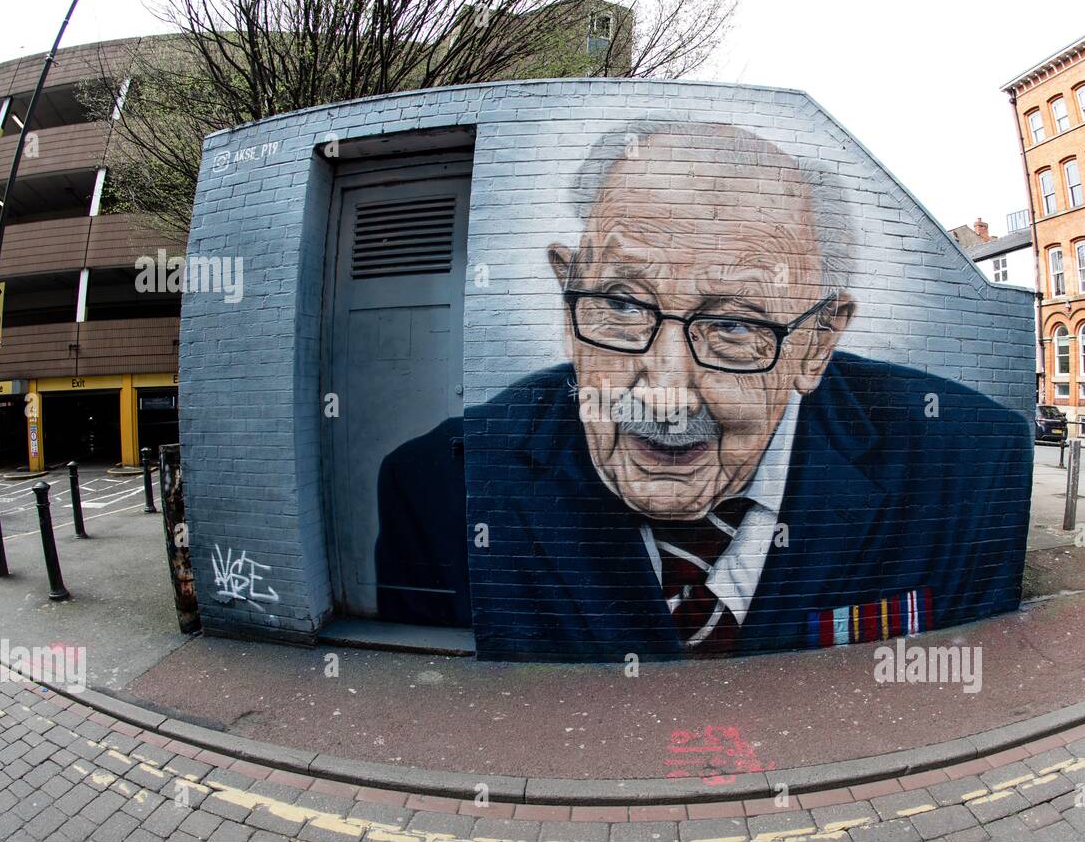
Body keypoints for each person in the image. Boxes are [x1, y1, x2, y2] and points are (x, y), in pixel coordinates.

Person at [376, 123, 1033, 661]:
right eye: (622, 305)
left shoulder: (972, 467)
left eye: (733, 324)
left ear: (817, 344)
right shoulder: (440, 486)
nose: (664, 396)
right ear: (567, 293)